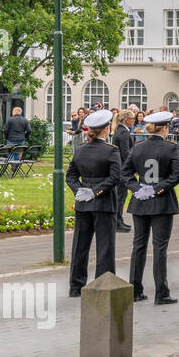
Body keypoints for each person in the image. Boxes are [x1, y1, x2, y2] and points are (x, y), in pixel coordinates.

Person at [121, 110, 179, 304]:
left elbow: (125, 173)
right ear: (165, 129)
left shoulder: (138, 147)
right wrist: (156, 189)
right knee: (160, 247)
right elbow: (176, 176)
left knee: (138, 246)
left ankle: (135, 290)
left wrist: (137, 188)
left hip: (140, 200)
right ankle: (161, 293)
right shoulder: (170, 148)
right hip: (161, 202)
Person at [65, 110, 123, 297]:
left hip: (83, 203)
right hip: (103, 203)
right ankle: (103, 284)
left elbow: (70, 176)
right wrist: (96, 191)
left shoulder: (80, 149)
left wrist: (80, 190)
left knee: (80, 245)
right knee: (105, 246)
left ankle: (76, 286)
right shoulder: (111, 150)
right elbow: (115, 177)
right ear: (105, 130)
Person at [111, 110, 135, 232]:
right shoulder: (124, 132)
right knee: (120, 196)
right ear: (126, 119)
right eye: (132, 118)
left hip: (119, 167)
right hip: (122, 168)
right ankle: (117, 222)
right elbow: (125, 152)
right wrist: (131, 166)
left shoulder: (120, 130)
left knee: (121, 195)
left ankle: (119, 220)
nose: (134, 121)